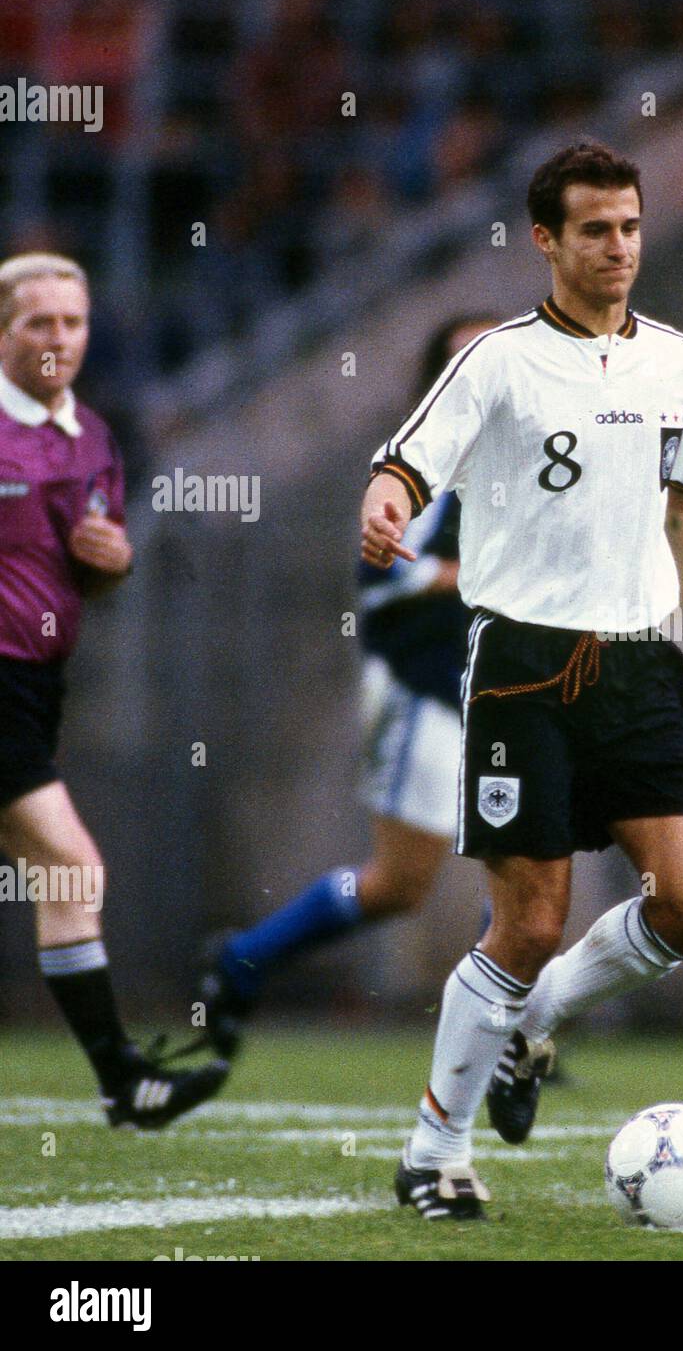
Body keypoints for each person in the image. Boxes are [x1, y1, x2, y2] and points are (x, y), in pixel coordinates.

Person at [360, 141, 683, 1220]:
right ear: (546, 240)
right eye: (594, 229)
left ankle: (533, 1025)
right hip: (524, 664)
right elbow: (410, 456)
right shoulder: (495, 359)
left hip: (638, 663)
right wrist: (388, 499)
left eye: (629, 226)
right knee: (529, 919)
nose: (618, 246)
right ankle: (430, 1153)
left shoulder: (676, 360)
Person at [194, 316, 499, 1056]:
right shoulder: (420, 466)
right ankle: (244, 957)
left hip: (495, 693)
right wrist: (451, 576)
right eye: (465, 358)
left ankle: (510, 1035)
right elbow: (377, 568)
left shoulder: (515, 462)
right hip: (419, 688)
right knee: (400, 883)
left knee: (526, 863)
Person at [0, 252, 228, 1126]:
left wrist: (116, 562)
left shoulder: (92, 437)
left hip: (36, 687)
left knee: (60, 879)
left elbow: (86, 569)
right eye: (39, 323)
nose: (61, 339)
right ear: (6, 332)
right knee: (69, 867)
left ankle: (122, 1081)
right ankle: (124, 1081)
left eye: (74, 322)